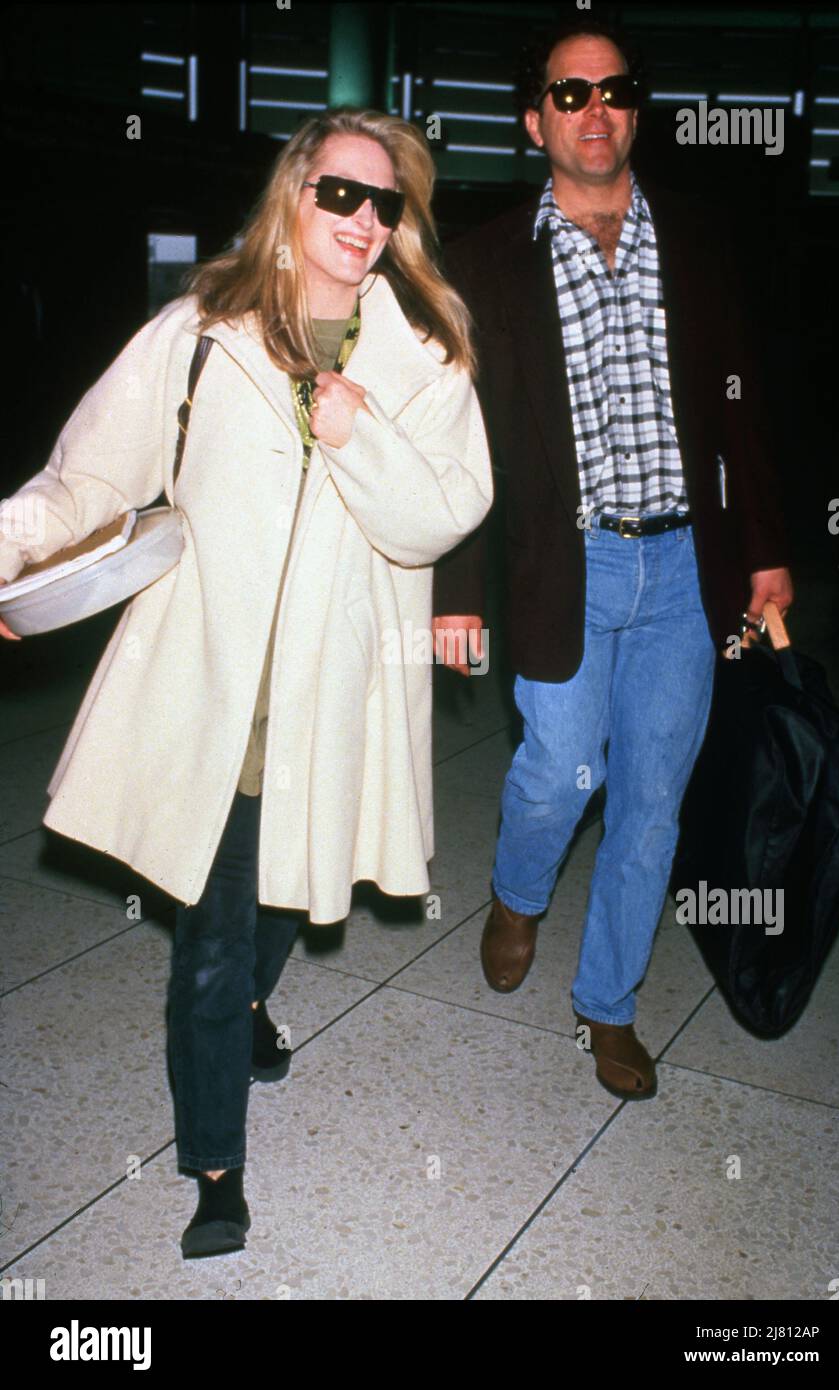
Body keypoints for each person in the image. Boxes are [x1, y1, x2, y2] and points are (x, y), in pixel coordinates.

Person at [0, 108, 493, 1256]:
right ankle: (216, 1166)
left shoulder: (422, 359)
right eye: (341, 194)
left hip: (333, 696)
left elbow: (439, 518)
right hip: (210, 684)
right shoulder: (199, 334)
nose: (364, 221)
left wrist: (357, 431)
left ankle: (259, 1003)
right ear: (293, 191)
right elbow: (85, 478)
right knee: (212, 938)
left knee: (285, 891)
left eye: (386, 204)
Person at [433, 18, 793, 1102]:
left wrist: (766, 554)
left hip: (687, 570)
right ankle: (516, 889)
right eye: (570, 93)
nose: (596, 112)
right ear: (533, 117)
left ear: (635, 109)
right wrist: (452, 593)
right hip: (564, 565)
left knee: (649, 800)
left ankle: (609, 1007)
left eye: (615, 91)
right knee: (554, 770)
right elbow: (454, 435)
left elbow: (740, 409)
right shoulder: (485, 260)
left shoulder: (692, 237)